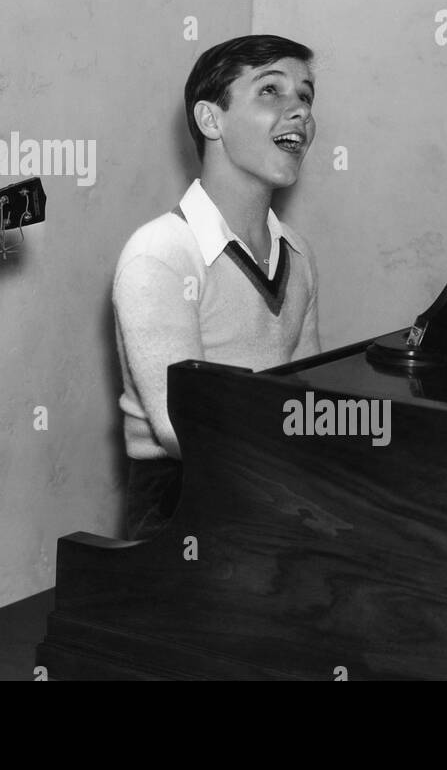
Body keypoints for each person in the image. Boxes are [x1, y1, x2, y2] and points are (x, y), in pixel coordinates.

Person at [112, 35, 321, 540]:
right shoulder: (160, 252)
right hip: (180, 502)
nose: (299, 111)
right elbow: (179, 426)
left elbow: (310, 394)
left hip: (276, 478)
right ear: (211, 120)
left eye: (306, 96)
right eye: (270, 91)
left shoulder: (296, 250)